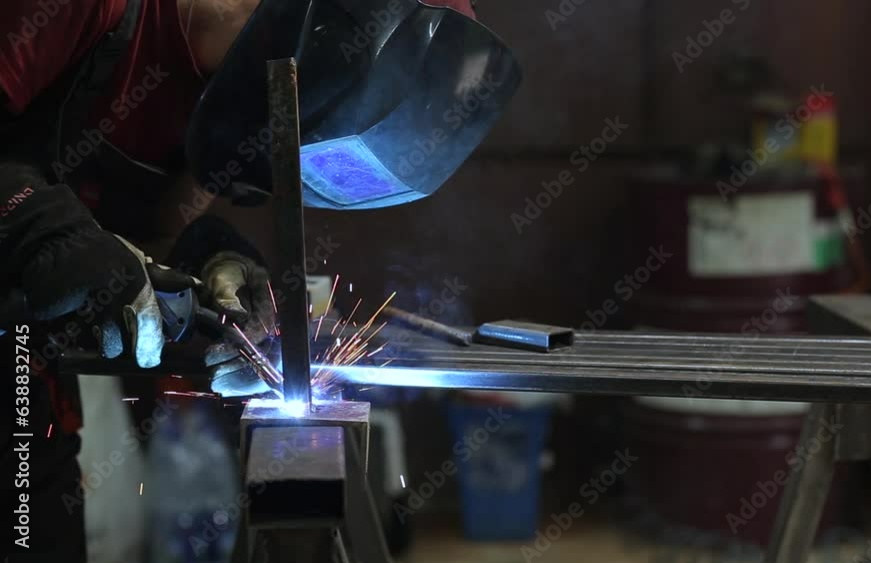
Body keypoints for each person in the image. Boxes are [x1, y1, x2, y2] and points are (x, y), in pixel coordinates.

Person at [0, 0, 511, 560]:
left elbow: (151, 242)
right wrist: (35, 225)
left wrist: (208, 268)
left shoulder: (223, 100)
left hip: (26, 384)